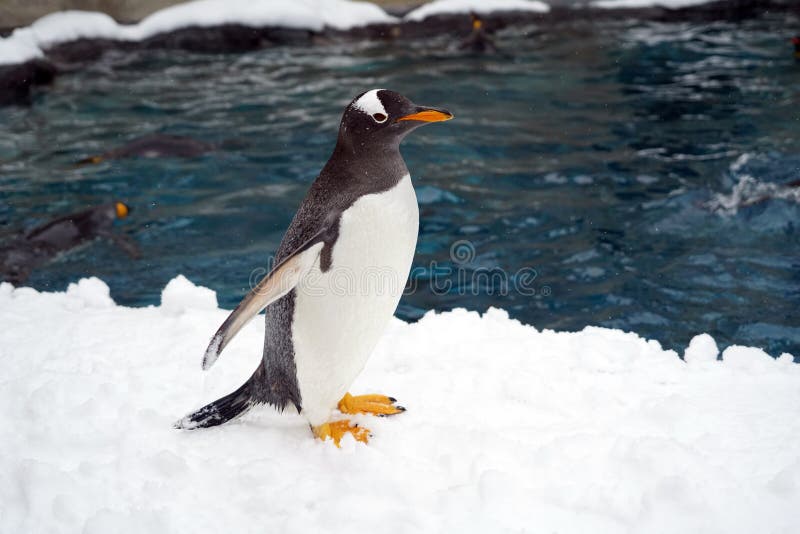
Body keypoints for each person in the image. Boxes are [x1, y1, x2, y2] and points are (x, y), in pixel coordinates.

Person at [0, 201, 139, 285]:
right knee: (21, 266)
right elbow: (115, 237)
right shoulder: (96, 224)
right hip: (44, 248)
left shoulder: (80, 216)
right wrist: (131, 249)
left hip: (31, 242)